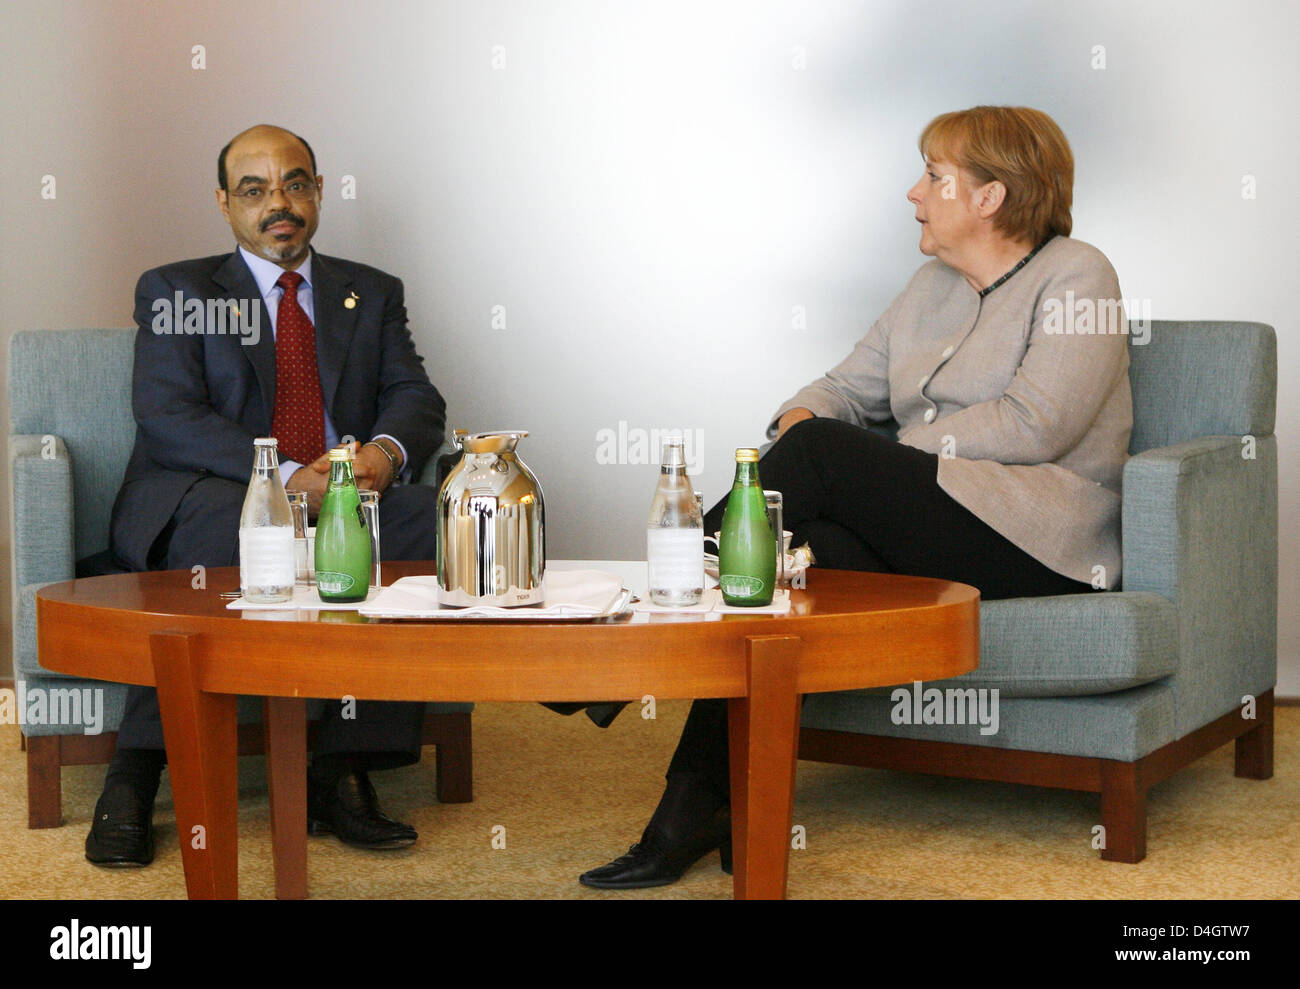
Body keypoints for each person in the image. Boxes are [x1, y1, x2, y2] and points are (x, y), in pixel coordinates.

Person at [579, 105, 1134, 889]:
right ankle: (695, 809)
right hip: (936, 523)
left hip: (1038, 541)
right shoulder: (929, 286)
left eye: (935, 177)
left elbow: (1036, 424)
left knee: (822, 459)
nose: (914, 193)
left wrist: (875, 455)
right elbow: (842, 386)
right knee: (778, 571)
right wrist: (799, 416)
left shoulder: (1080, 274)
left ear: (991, 197)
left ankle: (622, 637)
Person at [86, 124, 447, 867]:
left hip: (347, 496)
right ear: (224, 203)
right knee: (237, 532)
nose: (278, 203)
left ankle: (344, 765)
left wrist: (382, 454)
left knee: (428, 520)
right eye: (255, 190)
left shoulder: (370, 291)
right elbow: (168, 415)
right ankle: (136, 767)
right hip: (208, 494)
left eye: (295, 183)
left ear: (317, 190)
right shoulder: (177, 289)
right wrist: (286, 478)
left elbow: (414, 395)